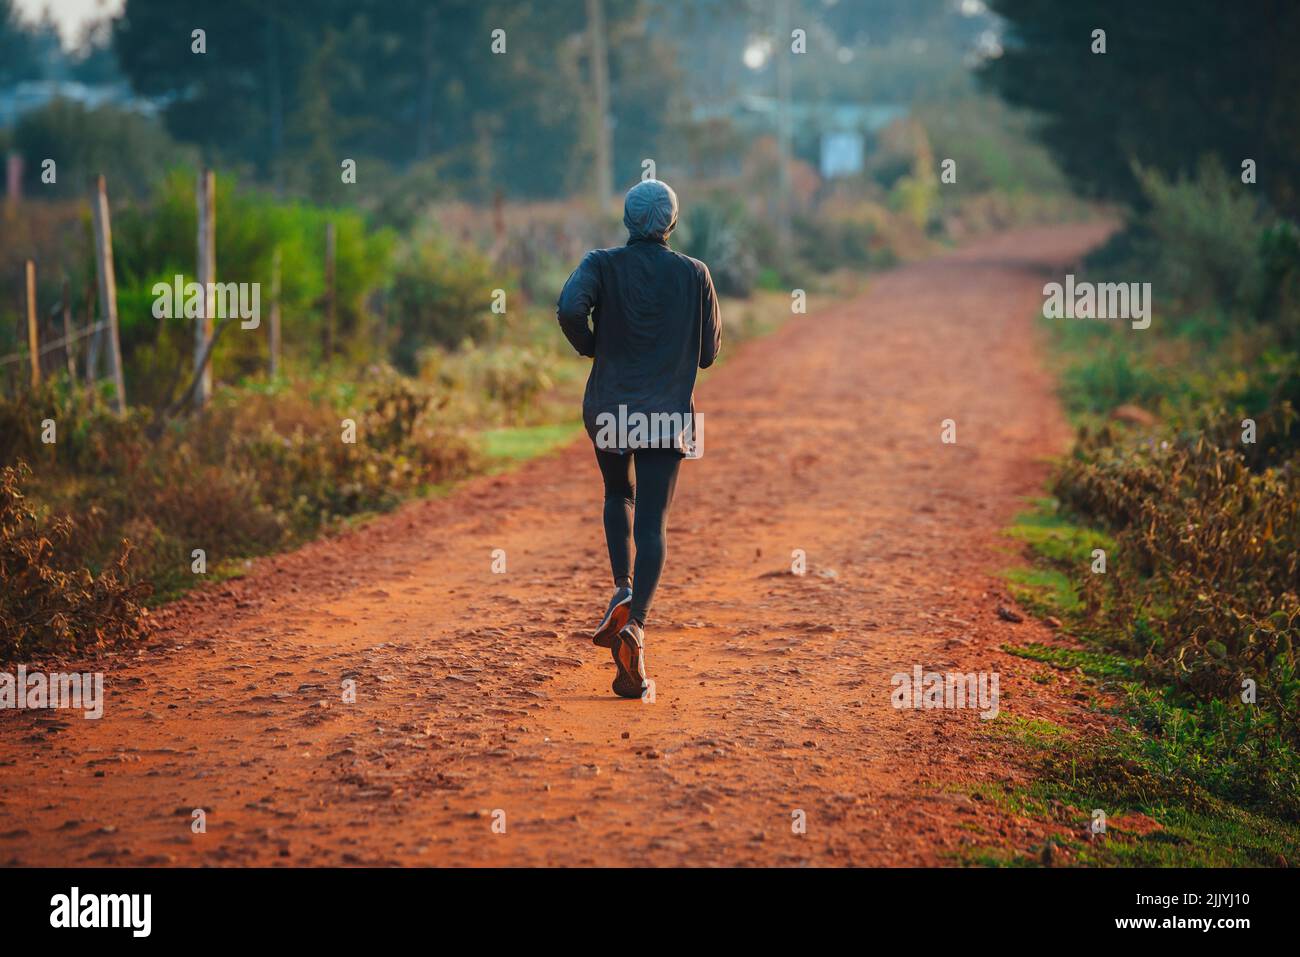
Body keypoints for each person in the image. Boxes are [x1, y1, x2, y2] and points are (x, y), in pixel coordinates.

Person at [556, 179, 721, 698]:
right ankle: (636, 624)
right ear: (671, 223)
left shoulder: (601, 264)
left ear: (629, 222)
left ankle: (621, 588)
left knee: (616, 493)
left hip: (610, 404)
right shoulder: (695, 274)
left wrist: (593, 347)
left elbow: (567, 309)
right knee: (653, 520)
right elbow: (708, 354)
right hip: (667, 414)